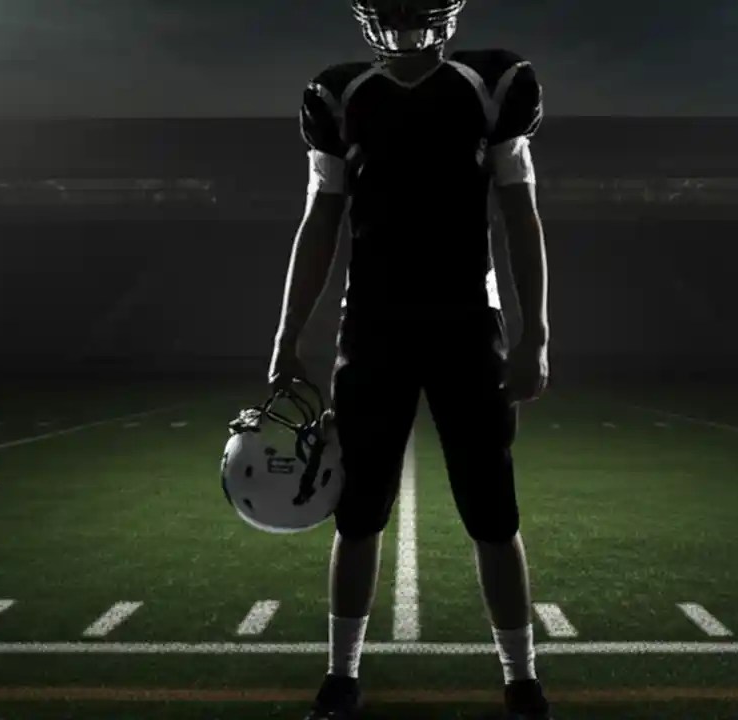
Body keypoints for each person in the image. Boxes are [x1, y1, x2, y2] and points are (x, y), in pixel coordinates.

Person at [267, 1, 552, 717]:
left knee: (493, 514)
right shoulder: (338, 95)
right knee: (358, 515)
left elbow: (521, 213)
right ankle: (341, 674)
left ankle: (521, 677)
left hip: (464, 323)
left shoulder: (490, 85)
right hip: (373, 326)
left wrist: (535, 333)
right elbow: (320, 218)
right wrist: (285, 335)